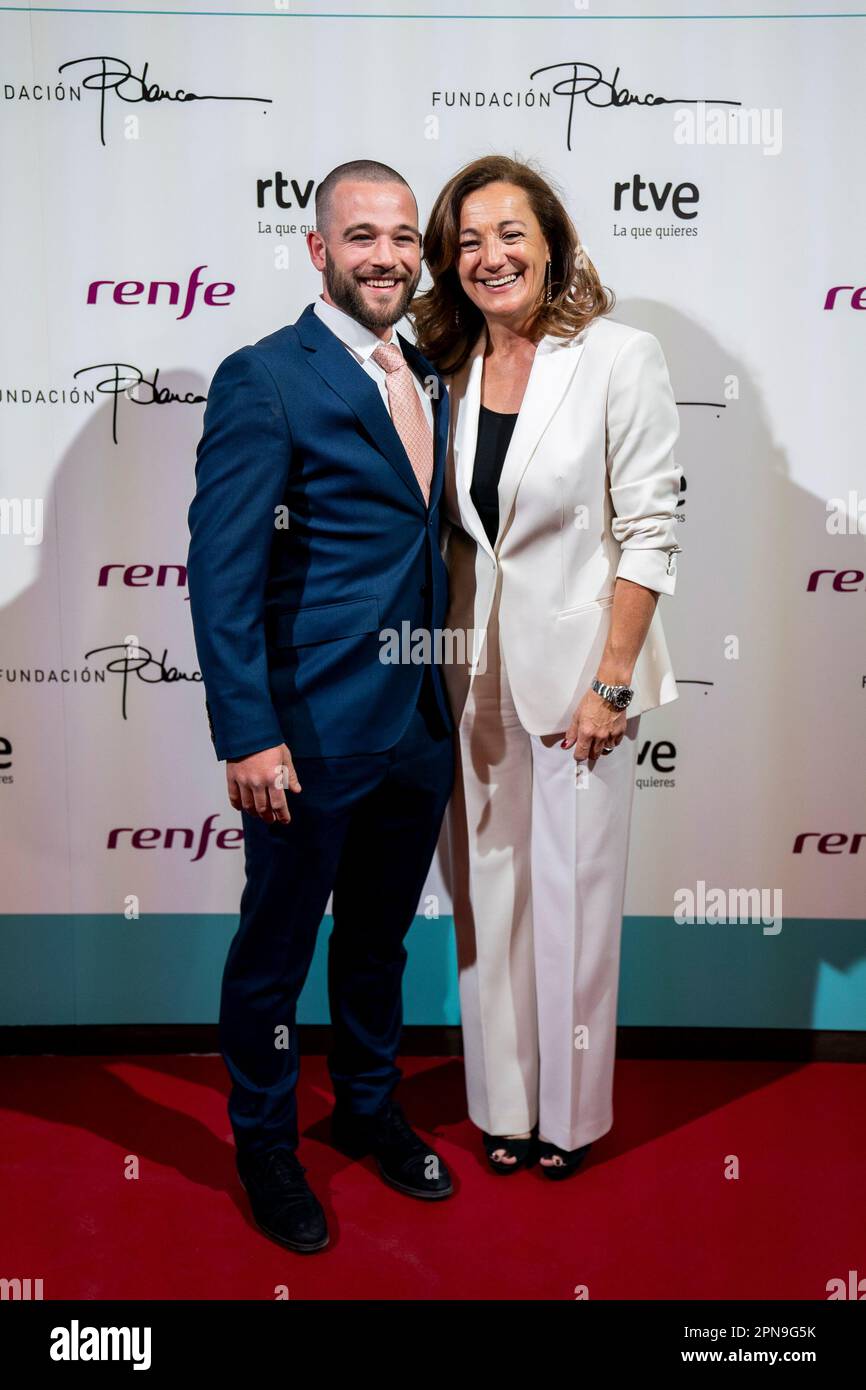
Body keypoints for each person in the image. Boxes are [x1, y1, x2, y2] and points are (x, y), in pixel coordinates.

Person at [186, 160, 455, 1254]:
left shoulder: (427, 370)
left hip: (418, 721)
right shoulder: (263, 377)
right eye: (361, 236)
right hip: (306, 728)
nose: (386, 256)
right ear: (317, 250)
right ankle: (263, 1143)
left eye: (402, 236)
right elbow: (221, 572)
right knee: (276, 951)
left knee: (379, 943)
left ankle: (367, 1106)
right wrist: (248, 731)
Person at [412, 154, 682, 1179]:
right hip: (470, 673)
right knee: (490, 899)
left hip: (581, 679)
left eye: (510, 233)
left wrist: (611, 681)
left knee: (574, 898)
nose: (491, 256)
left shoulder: (618, 356)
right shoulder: (442, 370)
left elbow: (649, 532)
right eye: (468, 240)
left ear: (552, 242)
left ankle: (568, 1121)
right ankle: (505, 1107)